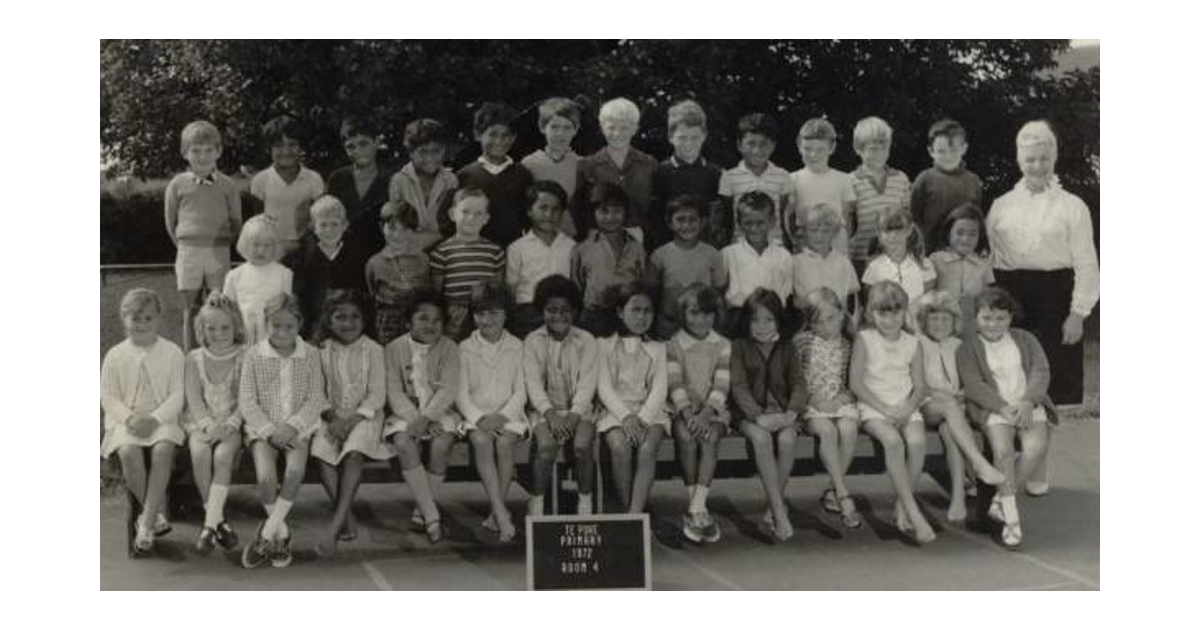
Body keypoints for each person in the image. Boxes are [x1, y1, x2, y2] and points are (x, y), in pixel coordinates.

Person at [987, 120, 1098, 413]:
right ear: (1019, 160)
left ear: (1055, 157)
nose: (1037, 166)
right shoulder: (1001, 205)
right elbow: (990, 258)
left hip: (1056, 299)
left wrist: (1078, 314)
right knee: (1010, 381)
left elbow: (1087, 263)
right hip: (1011, 298)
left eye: (1044, 158)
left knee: (1056, 390)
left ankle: (1055, 453)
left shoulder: (1073, 206)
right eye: (1030, 159)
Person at [957, 287, 1056, 548]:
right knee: (1003, 453)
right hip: (994, 409)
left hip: (1027, 404)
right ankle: (1012, 518)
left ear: (1011, 318)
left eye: (1001, 318)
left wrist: (1027, 401)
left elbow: (1040, 370)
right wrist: (1001, 407)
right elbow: (974, 384)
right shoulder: (968, 348)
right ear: (976, 318)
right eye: (987, 318)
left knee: (1036, 448)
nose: (993, 324)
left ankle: (1001, 501)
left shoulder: (1025, 339)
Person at [239, 293, 326, 568]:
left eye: (289, 326)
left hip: (297, 428)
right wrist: (269, 430)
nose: (282, 332)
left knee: (294, 471)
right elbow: (247, 400)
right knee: (265, 476)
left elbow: (315, 398)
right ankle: (282, 534)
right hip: (262, 430)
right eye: (276, 325)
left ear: (299, 324)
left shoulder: (311, 354)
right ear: (266, 324)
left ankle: (267, 534)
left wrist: (292, 426)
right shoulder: (253, 355)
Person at [849, 280, 936, 543]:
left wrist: (907, 408)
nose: (888, 320)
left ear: (905, 312)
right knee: (893, 442)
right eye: (881, 313)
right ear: (870, 313)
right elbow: (856, 383)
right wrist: (885, 408)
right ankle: (913, 512)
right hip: (874, 406)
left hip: (905, 406)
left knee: (919, 442)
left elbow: (921, 386)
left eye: (895, 313)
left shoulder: (913, 343)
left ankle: (901, 503)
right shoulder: (864, 339)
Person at [101, 288, 186, 557]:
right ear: (124, 319)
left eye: (148, 318)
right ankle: (155, 517)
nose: (142, 324)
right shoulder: (116, 355)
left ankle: (146, 522)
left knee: (162, 451)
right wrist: (129, 418)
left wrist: (156, 418)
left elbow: (177, 393)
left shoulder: (172, 352)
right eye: (135, 319)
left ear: (158, 319)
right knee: (129, 452)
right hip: (127, 420)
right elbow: (107, 395)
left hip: (162, 418)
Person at [311, 290, 392, 556]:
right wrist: (333, 419)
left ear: (365, 319)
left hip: (365, 417)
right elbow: (316, 392)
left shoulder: (374, 350)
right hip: (330, 416)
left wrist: (354, 419)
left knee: (354, 453)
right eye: (340, 317)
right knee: (323, 455)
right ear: (329, 320)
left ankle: (334, 528)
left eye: (355, 316)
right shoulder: (320, 351)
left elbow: (377, 394)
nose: (348, 323)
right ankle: (346, 516)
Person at [914, 291, 1007, 523]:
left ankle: (957, 497)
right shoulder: (917, 344)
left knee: (949, 430)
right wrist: (944, 396)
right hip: (927, 407)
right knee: (946, 407)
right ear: (924, 321)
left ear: (954, 322)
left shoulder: (960, 346)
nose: (939, 324)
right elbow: (917, 385)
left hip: (956, 410)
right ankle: (977, 463)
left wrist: (961, 395)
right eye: (934, 319)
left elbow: (971, 381)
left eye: (945, 319)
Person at [383, 290, 460, 543]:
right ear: (409, 322)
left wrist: (428, 417)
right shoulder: (394, 348)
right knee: (404, 442)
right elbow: (393, 390)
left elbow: (449, 389)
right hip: (405, 413)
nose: (431, 325)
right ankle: (431, 515)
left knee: (442, 443)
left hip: (439, 412)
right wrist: (415, 419)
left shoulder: (449, 348)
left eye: (437, 320)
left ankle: (421, 512)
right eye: (423, 319)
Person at [729, 288, 806, 541]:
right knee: (761, 438)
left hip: (783, 412)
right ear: (746, 321)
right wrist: (757, 415)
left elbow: (798, 383)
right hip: (751, 416)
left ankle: (774, 503)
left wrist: (792, 413)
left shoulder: (787, 346)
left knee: (787, 439)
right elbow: (738, 386)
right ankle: (779, 511)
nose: (762, 326)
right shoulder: (740, 346)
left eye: (769, 319)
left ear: (779, 321)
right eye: (755, 320)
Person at [524, 275, 600, 516]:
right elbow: (533, 385)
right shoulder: (533, 341)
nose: (558, 316)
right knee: (545, 447)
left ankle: (585, 501)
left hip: (580, 410)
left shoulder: (586, 340)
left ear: (575, 311)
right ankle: (536, 501)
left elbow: (588, 384)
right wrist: (551, 415)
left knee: (581, 446)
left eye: (565, 310)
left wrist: (574, 416)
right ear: (541, 310)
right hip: (544, 410)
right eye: (551, 310)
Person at [164, 120, 243, 351]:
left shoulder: (228, 185)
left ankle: (220, 353)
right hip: (188, 252)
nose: (202, 156)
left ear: (219, 151)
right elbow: (170, 222)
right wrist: (184, 246)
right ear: (184, 153)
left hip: (218, 252)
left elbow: (236, 220)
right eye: (195, 150)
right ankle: (191, 357)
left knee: (220, 305)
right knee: (191, 309)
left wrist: (221, 243)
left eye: (209, 150)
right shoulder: (177, 184)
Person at [458, 282, 527, 542]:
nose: (487, 319)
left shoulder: (518, 346)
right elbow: (460, 393)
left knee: (506, 443)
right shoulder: (464, 347)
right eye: (480, 313)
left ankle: (495, 510)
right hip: (477, 417)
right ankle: (500, 512)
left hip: (509, 416)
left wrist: (503, 416)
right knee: (480, 440)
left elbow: (522, 390)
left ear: (506, 314)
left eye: (494, 313)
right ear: (473, 316)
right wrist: (478, 419)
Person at [666, 284, 732, 543]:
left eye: (707, 314)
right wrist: (687, 413)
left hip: (712, 410)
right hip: (682, 410)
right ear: (684, 314)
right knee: (685, 437)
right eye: (694, 313)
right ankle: (696, 506)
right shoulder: (673, 345)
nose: (700, 319)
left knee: (710, 437)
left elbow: (722, 383)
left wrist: (706, 413)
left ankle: (697, 505)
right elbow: (675, 383)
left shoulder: (723, 344)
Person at [596, 281, 668, 514]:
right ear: (619, 312)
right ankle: (630, 516)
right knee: (620, 446)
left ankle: (635, 514)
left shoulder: (658, 348)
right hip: (616, 412)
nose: (641, 317)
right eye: (635, 310)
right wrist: (626, 417)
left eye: (647, 311)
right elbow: (603, 386)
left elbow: (660, 388)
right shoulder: (603, 345)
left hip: (650, 413)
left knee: (647, 448)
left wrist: (643, 419)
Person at [793, 288, 862, 529]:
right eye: (817, 322)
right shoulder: (803, 343)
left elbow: (855, 382)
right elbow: (795, 381)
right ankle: (842, 493)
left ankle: (834, 491)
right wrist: (814, 400)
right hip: (812, 406)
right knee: (828, 431)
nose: (824, 326)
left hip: (840, 402)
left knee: (849, 427)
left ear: (842, 314)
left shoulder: (850, 345)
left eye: (830, 319)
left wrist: (841, 399)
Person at [183, 293, 246, 555]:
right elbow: (194, 398)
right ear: (201, 330)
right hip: (201, 422)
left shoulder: (245, 356)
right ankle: (217, 520)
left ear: (236, 328)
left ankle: (209, 526)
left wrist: (231, 423)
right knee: (199, 451)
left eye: (225, 328)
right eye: (211, 328)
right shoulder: (194, 358)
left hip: (232, 422)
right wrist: (208, 425)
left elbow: (246, 397)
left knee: (222, 456)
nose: (218, 333)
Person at [283, 195, 367, 341]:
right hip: (311, 326)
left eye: (335, 224)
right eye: (323, 225)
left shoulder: (356, 256)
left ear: (345, 225)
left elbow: (360, 293)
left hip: (345, 326)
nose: (329, 230)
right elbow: (298, 295)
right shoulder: (302, 257)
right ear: (313, 226)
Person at [573, 97, 657, 243]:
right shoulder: (587, 165)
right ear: (602, 128)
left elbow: (656, 208)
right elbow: (579, 210)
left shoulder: (649, 164)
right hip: (598, 241)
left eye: (624, 128)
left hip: (640, 240)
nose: (617, 134)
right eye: (611, 127)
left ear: (635, 129)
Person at [429, 188, 506, 340]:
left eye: (478, 214)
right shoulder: (441, 252)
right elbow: (436, 293)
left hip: (486, 316)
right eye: (465, 212)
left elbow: (497, 289)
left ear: (486, 219)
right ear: (452, 214)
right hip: (455, 318)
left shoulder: (495, 251)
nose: (471, 218)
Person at [647, 194, 728, 338]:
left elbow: (718, 293)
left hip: (700, 326)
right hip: (668, 326)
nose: (686, 225)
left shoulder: (713, 255)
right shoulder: (659, 255)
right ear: (670, 223)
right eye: (680, 219)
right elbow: (652, 293)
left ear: (702, 222)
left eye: (692, 220)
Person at [571, 183, 646, 336]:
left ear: (625, 212)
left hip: (627, 315)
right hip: (593, 318)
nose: (611, 217)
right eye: (604, 211)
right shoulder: (583, 248)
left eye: (617, 211)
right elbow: (577, 285)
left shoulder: (636, 247)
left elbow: (642, 280)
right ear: (593, 212)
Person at [456, 102, 535, 248]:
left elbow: (528, 219)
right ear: (478, 135)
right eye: (492, 134)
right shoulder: (464, 176)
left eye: (506, 135)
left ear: (514, 138)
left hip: (512, 252)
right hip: (474, 252)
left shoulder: (523, 175)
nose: (499, 141)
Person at [506, 181, 575, 337]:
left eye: (556, 209)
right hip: (528, 315)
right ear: (529, 211)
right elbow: (511, 289)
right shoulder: (517, 248)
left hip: (563, 314)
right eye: (543, 208)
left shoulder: (572, 247)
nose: (549, 214)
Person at [650, 100, 722, 248]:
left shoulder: (716, 173)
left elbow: (718, 221)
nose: (689, 143)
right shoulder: (660, 172)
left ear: (704, 136)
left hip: (706, 250)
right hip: (671, 251)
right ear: (670, 137)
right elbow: (655, 220)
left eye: (694, 137)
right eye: (682, 138)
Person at [249, 115, 325, 256]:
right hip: (272, 249)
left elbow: (320, 220)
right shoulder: (260, 180)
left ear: (300, 146)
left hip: (306, 249)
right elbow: (258, 223)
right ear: (268, 149)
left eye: (292, 144)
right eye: (279, 146)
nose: (286, 151)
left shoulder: (314, 179)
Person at [719, 113, 796, 249]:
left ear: (773, 146)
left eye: (763, 144)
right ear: (739, 145)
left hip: (775, 248)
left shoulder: (783, 176)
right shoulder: (729, 177)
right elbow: (727, 220)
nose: (757, 150)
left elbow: (784, 219)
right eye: (751, 143)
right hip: (740, 248)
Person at [721, 191, 793, 334]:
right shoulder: (728, 254)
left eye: (760, 222)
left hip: (772, 319)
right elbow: (721, 290)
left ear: (772, 221)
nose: (754, 228)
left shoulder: (783, 256)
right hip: (738, 319)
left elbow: (785, 291)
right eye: (748, 223)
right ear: (739, 223)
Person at [846, 116, 910, 275]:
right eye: (873, 149)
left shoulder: (900, 179)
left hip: (894, 256)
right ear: (858, 149)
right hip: (861, 257)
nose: (880, 154)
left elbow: (908, 219)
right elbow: (847, 225)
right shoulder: (850, 181)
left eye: (884, 148)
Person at [910, 119, 984, 254]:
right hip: (930, 253)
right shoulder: (925, 179)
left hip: (963, 255)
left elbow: (976, 220)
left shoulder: (973, 181)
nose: (948, 156)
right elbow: (914, 218)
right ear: (931, 151)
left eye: (953, 150)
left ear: (964, 148)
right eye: (941, 151)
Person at [364, 201, 431, 345]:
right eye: (392, 228)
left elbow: (429, 292)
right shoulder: (374, 263)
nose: (398, 235)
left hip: (417, 324)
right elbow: (372, 293)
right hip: (387, 327)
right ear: (382, 227)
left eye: (406, 229)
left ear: (414, 231)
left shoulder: (423, 260)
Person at [327, 115, 393, 257]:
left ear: (376, 142)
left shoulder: (392, 180)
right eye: (351, 146)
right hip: (342, 254)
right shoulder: (337, 178)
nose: (357, 150)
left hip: (380, 255)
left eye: (363, 144)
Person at [389, 118, 458, 252]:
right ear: (410, 153)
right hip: (408, 249)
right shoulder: (399, 181)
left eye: (435, 151)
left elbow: (452, 224)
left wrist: (433, 238)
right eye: (423, 152)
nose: (429, 158)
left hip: (444, 248)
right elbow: (395, 224)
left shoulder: (451, 180)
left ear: (444, 150)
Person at [222, 215, 293, 346]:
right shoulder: (234, 275)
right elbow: (227, 310)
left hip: (275, 337)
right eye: (256, 244)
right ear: (245, 244)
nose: (261, 250)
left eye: (267, 245)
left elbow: (290, 308)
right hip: (243, 337)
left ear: (275, 247)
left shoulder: (284, 274)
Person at [790, 117, 853, 255]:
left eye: (820, 149)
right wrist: (795, 240)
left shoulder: (843, 179)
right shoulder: (793, 179)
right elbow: (789, 215)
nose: (813, 154)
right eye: (808, 148)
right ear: (799, 146)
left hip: (837, 241)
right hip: (805, 241)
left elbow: (847, 217)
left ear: (832, 148)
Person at [521, 97, 583, 237]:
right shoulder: (529, 164)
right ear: (542, 128)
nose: (560, 133)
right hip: (538, 239)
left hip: (572, 239)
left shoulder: (583, 165)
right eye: (554, 127)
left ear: (576, 130)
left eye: (567, 127)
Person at [930, 202, 994, 333]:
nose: (965, 239)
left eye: (972, 234)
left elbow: (987, 298)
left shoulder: (983, 263)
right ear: (949, 233)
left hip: (972, 326)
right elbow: (927, 296)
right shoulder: (936, 259)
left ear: (979, 236)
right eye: (960, 233)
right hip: (941, 325)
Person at [861, 207, 936, 312]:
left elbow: (929, 301)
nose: (893, 235)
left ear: (909, 230)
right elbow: (871, 305)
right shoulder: (874, 267)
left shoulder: (924, 264)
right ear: (879, 234)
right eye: (887, 230)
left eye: (899, 229)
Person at [790, 204, 860, 315]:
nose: (819, 236)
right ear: (806, 232)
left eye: (826, 231)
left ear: (835, 233)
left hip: (838, 324)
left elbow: (852, 300)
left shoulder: (844, 263)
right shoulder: (795, 262)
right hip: (807, 323)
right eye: (814, 230)